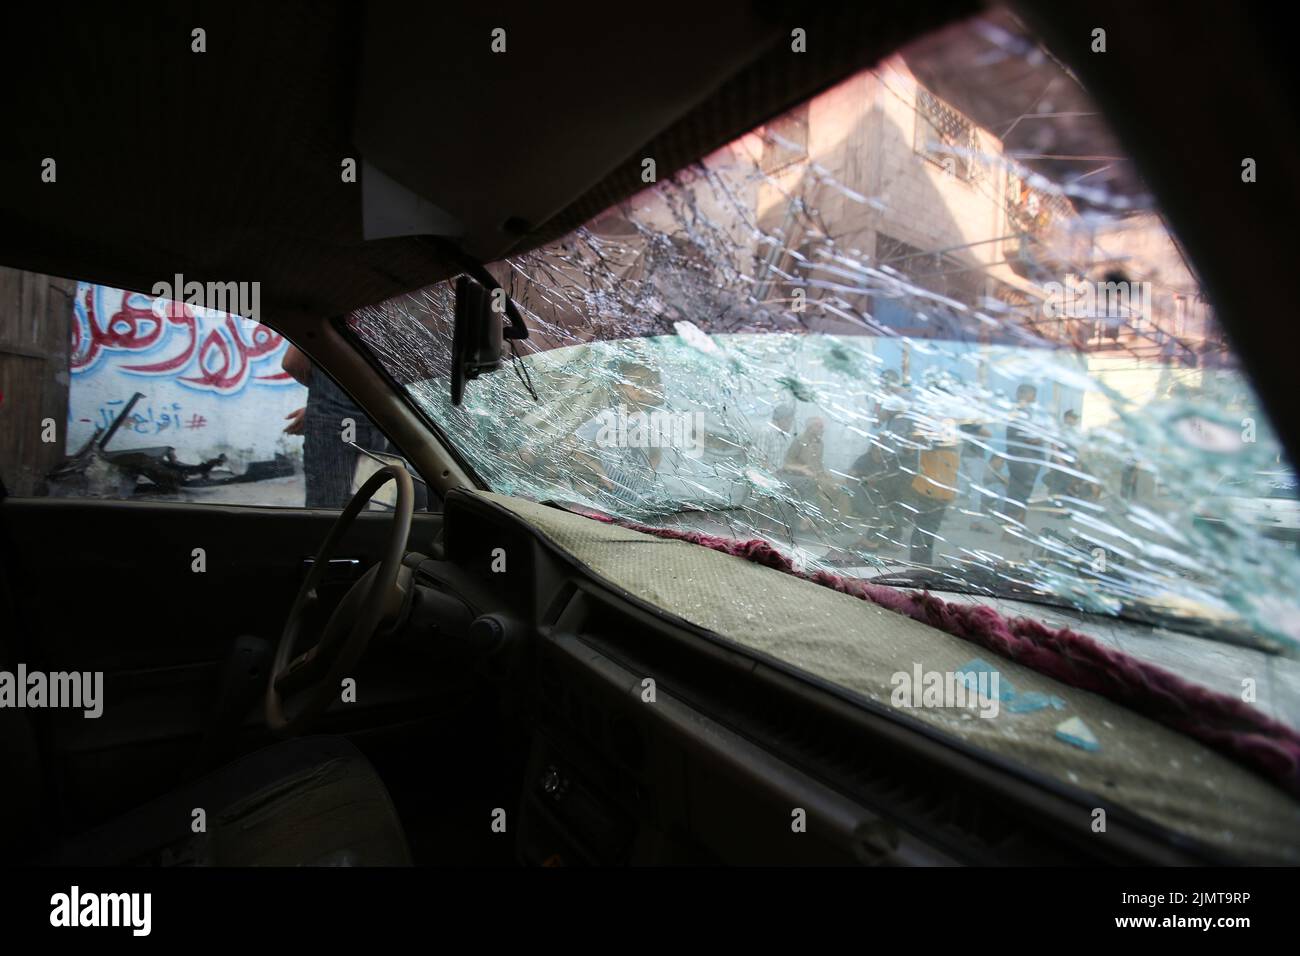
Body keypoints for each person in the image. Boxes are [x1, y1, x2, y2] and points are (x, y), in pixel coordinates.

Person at [282, 345, 389, 509]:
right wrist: (328, 403)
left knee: (361, 506)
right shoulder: (326, 322)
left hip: (366, 425)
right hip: (341, 427)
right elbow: (292, 362)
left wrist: (326, 402)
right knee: (332, 510)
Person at [988, 383, 1046, 532]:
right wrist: (1038, 438)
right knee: (1017, 496)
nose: (1034, 397)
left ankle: (1017, 530)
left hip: (1026, 460)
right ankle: (1011, 532)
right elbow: (1027, 437)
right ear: (1024, 395)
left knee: (1020, 496)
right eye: (1032, 394)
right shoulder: (1019, 413)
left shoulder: (1025, 412)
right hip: (1023, 461)